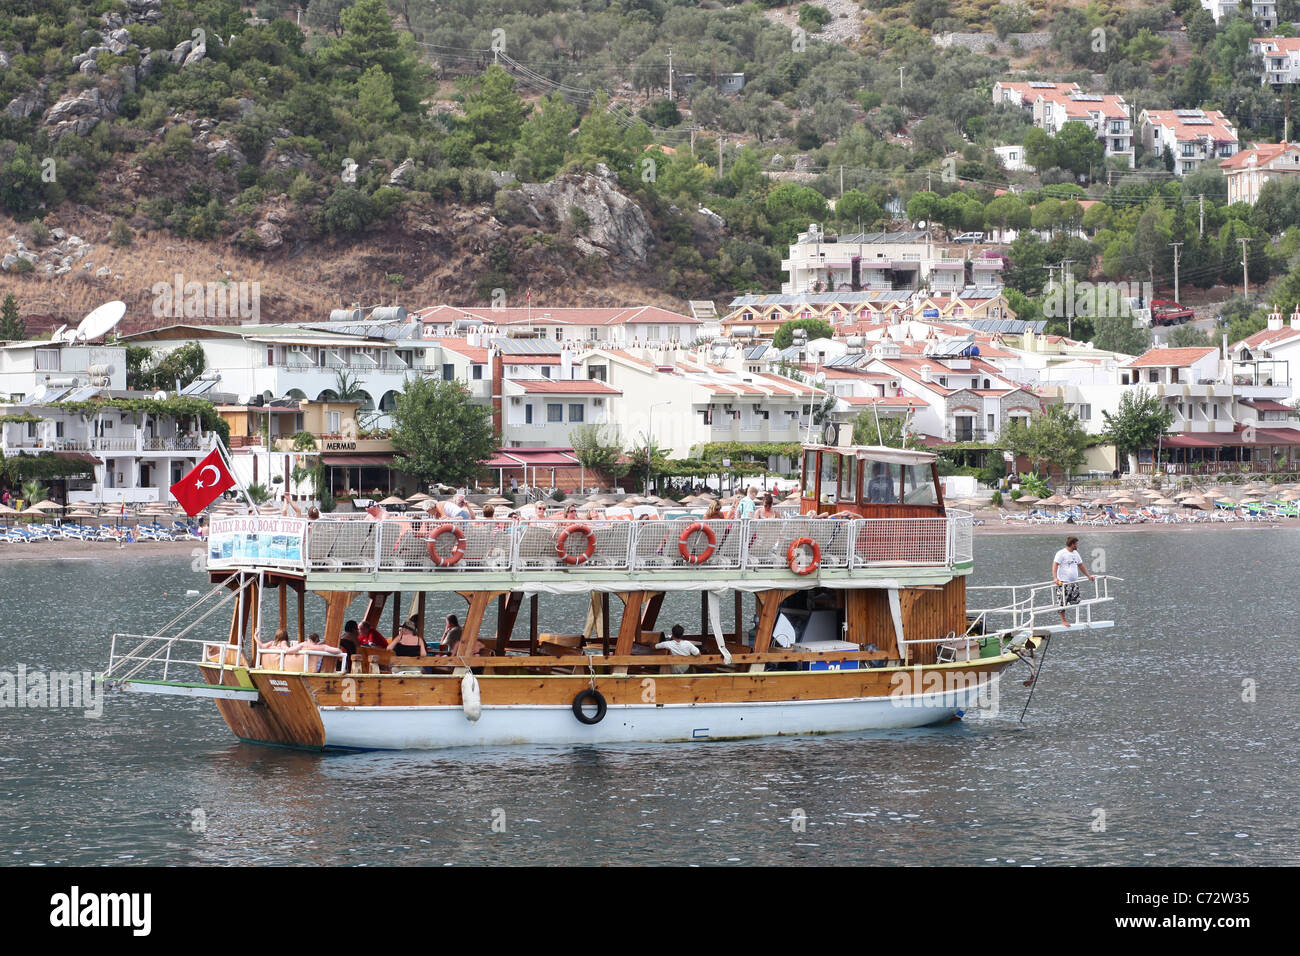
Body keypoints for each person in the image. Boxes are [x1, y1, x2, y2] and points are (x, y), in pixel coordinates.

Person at [1052, 535, 1094, 627]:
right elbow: (1055, 565)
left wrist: (1088, 576)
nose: (1077, 545)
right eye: (1076, 544)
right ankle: (1063, 620)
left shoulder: (1076, 553)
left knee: (1076, 600)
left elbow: (1081, 565)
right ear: (1072, 544)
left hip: (1074, 583)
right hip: (1063, 582)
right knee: (1062, 602)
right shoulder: (1061, 553)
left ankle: (1079, 619)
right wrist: (1055, 578)